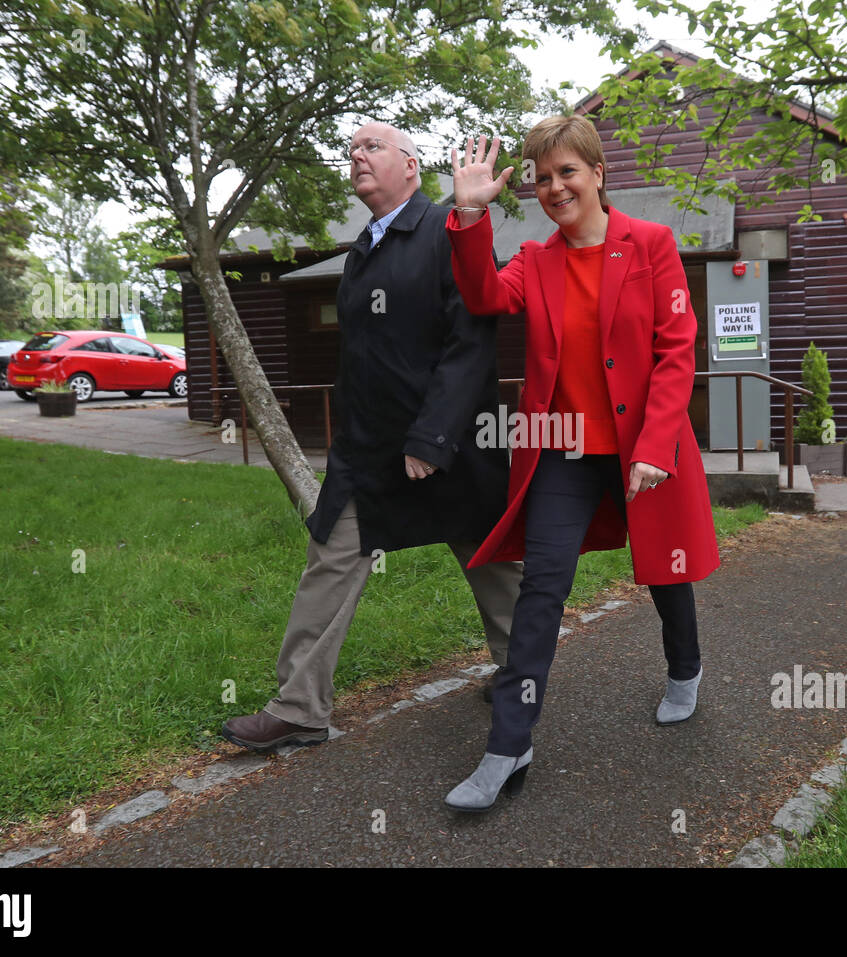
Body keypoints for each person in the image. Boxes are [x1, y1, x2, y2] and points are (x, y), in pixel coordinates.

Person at [441, 117, 721, 812]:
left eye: (566, 171)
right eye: (541, 178)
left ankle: (684, 667)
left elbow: (675, 349)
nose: (554, 186)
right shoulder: (535, 262)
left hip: (643, 447)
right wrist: (470, 212)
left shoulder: (652, 244)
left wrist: (657, 448)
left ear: (597, 173)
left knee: (664, 569)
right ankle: (510, 743)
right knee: (542, 590)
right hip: (562, 447)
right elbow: (482, 296)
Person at [222, 122, 523, 751]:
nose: (356, 156)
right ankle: (300, 705)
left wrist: (433, 437)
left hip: (449, 447)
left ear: (411, 166)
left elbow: (471, 345)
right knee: (331, 556)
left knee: (488, 560)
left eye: (372, 146)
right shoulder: (363, 248)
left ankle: (521, 671)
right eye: (351, 149)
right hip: (366, 451)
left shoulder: (449, 231)